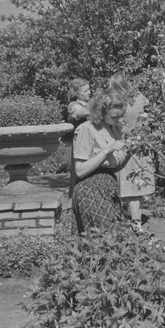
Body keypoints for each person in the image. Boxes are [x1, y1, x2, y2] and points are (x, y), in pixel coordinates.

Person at [71, 88, 128, 235]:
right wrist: (106, 151)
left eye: (120, 116)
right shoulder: (86, 129)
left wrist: (130, 149)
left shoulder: (114, 130)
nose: (119, 120)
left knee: (114, 240)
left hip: (109, 188)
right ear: (101, 111)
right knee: (103, 239)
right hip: (90, 190)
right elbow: (80, 170)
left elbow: (115, 166)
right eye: (114, 116)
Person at [109, 73, 155, 231]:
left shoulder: (119, 103)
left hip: (128, 144)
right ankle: (134, 216)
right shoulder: (139, 96)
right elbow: (149, 113)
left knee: (131, 187)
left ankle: (136, 223)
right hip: (143, 143)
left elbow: (118, 124)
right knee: (139, 186)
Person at [66, 78, 91, 198]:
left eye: (89, 89)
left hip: (93, 144)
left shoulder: (91, 104)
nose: (89, 92)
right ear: (77, 92)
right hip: (81, 145)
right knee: (78, 174)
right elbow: (81, 112)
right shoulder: (73, 105)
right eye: (85, 91)